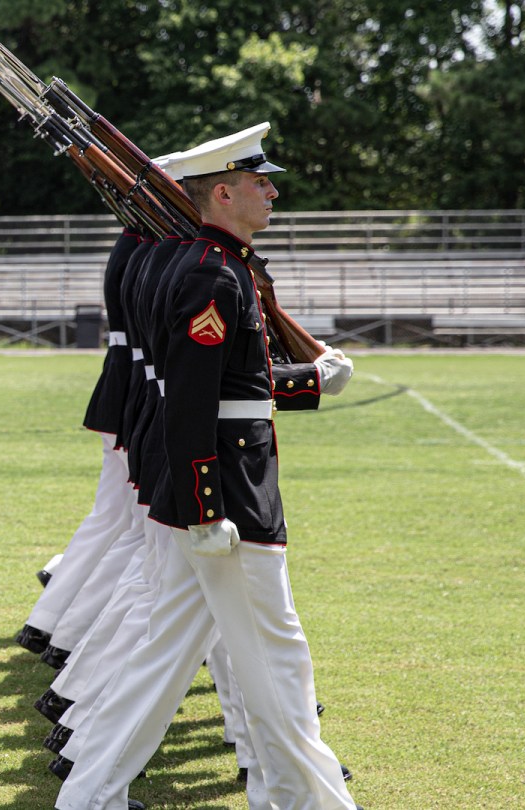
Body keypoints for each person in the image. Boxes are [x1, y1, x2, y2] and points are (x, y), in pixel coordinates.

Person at [54, 122, 359, 810]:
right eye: (260, 182)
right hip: (227, 498)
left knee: (161, 665)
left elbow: (236, 382)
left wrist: (309, 380)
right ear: (223, 192)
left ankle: (89, 797)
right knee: (278, 660)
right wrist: (204, 509)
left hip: (221, 488)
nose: (273, 192)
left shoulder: (215, 267)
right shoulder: (210, 277)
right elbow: (192, 403)